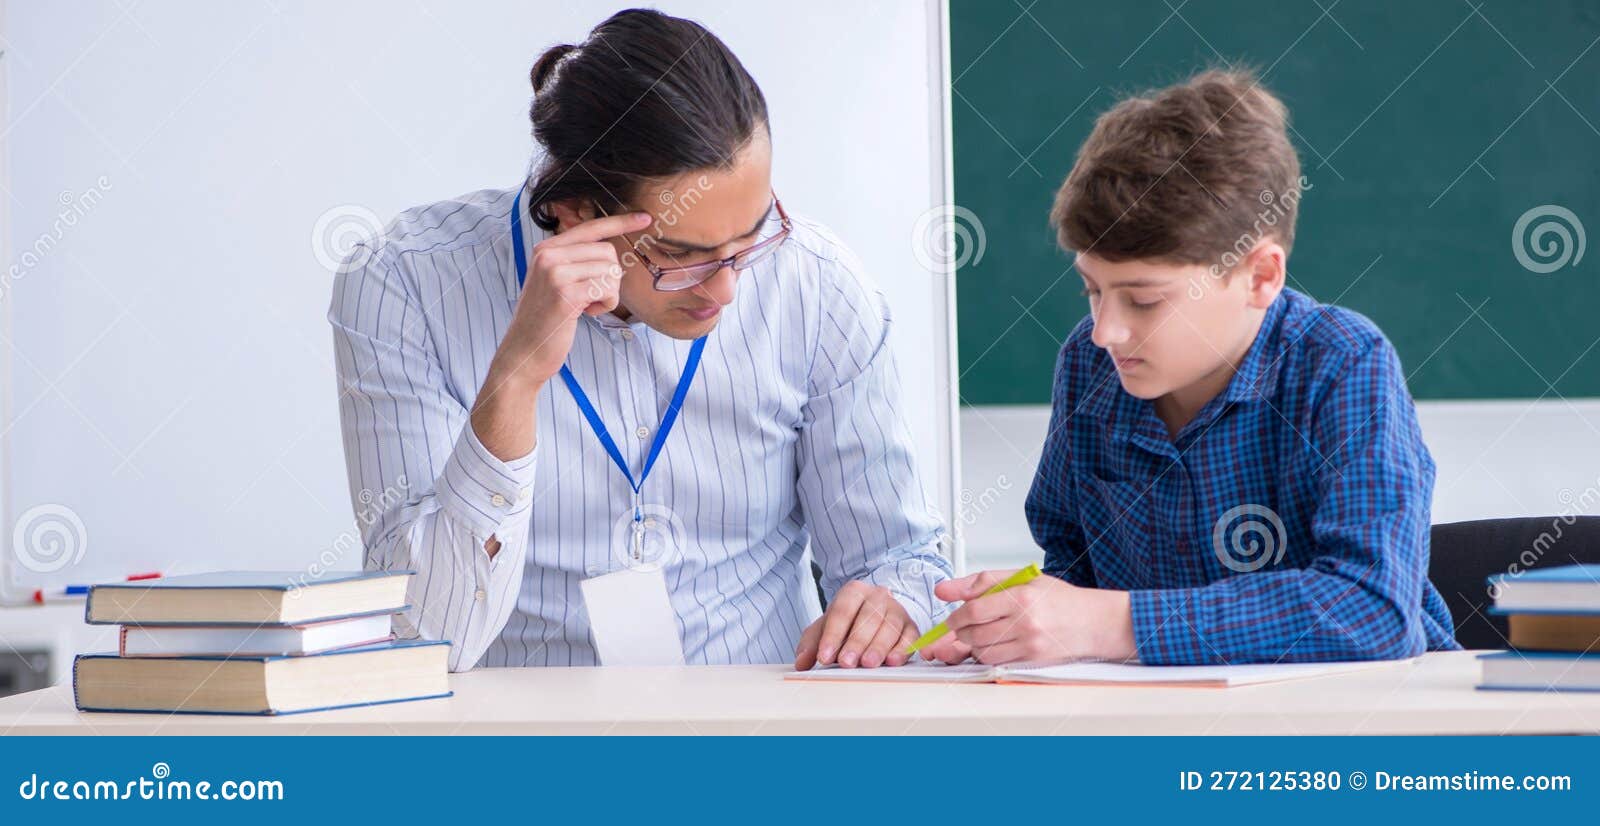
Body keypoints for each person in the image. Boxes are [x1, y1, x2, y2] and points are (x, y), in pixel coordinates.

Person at [330, 8, 950, 672]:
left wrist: (895, 602)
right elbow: (426, 635)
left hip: (753, 731)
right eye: (683, 256)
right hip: (516, 740)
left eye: (751, 238)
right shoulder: (404, 283)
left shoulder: (819, 286)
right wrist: (513, 380)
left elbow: (904, 563)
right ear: (574, 213)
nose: (727, 291)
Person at [923, 69, 1459, 666]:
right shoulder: (1088, 362)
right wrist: (1017, 624)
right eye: (1091, 291)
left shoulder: (1342, 362)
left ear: (1259, 276)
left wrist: (1113, 624)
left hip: (1362, 727)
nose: (1106, 331)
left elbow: (1373, 609)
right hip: (1165, 722)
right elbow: (1071, 563)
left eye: (1145, 300)